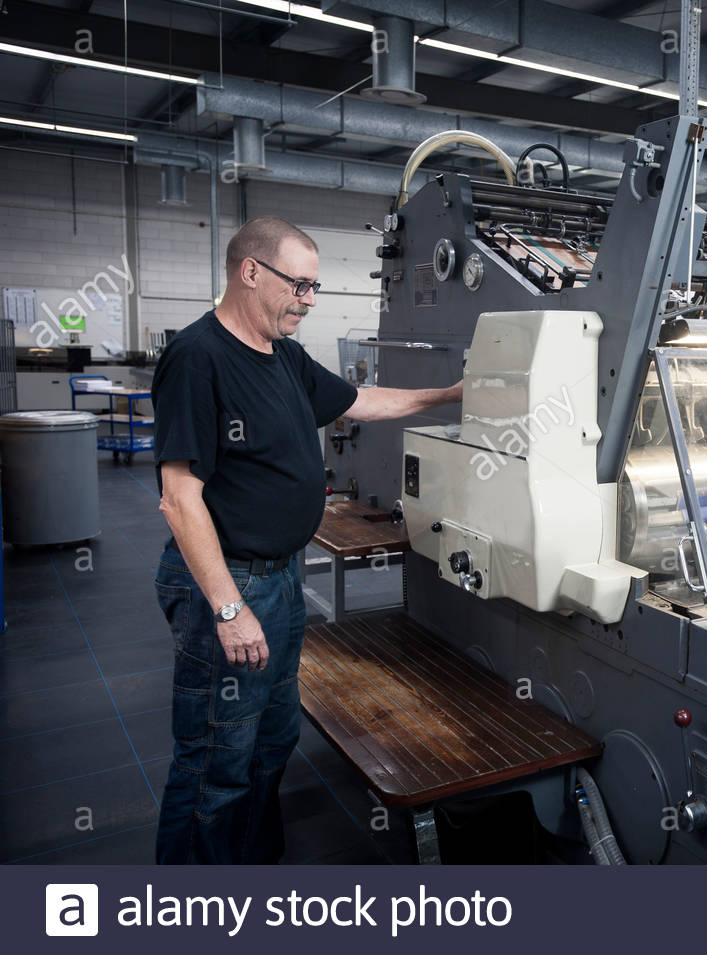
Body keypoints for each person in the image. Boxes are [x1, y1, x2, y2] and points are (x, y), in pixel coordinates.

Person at [150, 216, 460, 864]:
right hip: (232, 584)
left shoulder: (285, 357)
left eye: (315, 287)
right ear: (251, 272)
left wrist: (457, 392)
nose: (310, 299)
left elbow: (362, 401)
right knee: (216, 760)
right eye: (302, 285)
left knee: (271, 740)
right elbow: (180, 498)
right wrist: (230, 609)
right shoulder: (198, 357)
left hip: (283, 578)